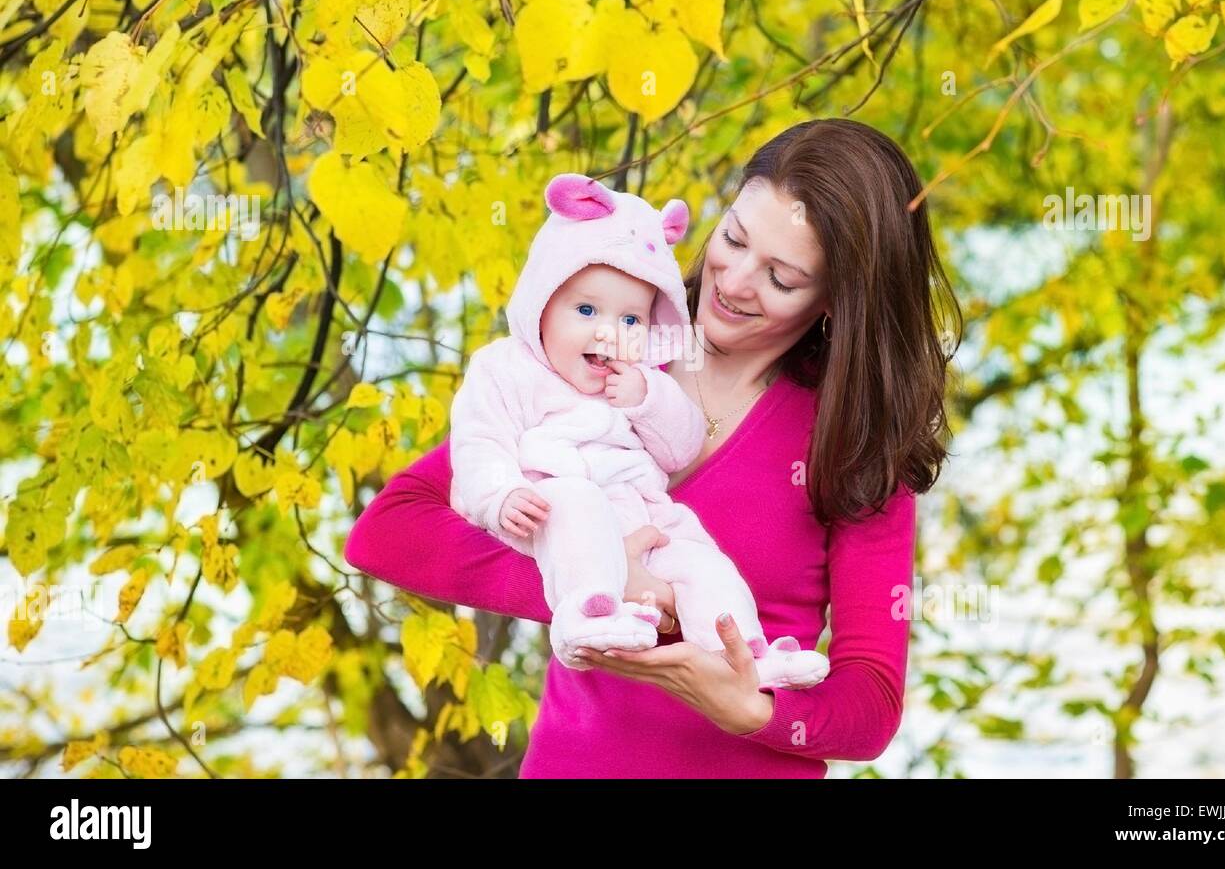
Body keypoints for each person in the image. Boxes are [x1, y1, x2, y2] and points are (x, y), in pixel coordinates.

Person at [345, 118, 962, 778]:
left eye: (781, 277)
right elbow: (389, 529)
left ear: (838, 300)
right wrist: (598, 583)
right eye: (733, 237)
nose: (734, 281)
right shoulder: (604, 347)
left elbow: (869, 703)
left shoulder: (855, 443)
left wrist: (753, 710)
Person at [446, 172, 830, 687]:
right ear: (541, 303)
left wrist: (647, 399)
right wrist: (500, 496)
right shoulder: (508, 369)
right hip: (550, 509)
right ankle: (587, 618)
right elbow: (478, 444)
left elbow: (680, 447)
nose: (609, 332)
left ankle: (746, 656)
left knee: (704, 561)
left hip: (646, 513)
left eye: (631, 320)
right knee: (576, 503)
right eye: (585, 310)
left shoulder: (642, 379)